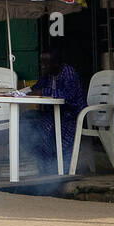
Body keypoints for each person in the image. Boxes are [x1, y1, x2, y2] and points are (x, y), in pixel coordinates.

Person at [24, 46, 86, 175]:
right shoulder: (48, 75)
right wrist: (22, 93)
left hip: (70, 115)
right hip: (53, 113)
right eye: (42, 63)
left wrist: (43, 91)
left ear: (56, 64)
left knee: (47, 128)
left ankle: (56, 166)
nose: (43, 67)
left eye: (46, 64)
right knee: (26, 121)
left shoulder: (69, 73)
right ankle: (44, 163)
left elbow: (68, 96)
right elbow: (36, 88)